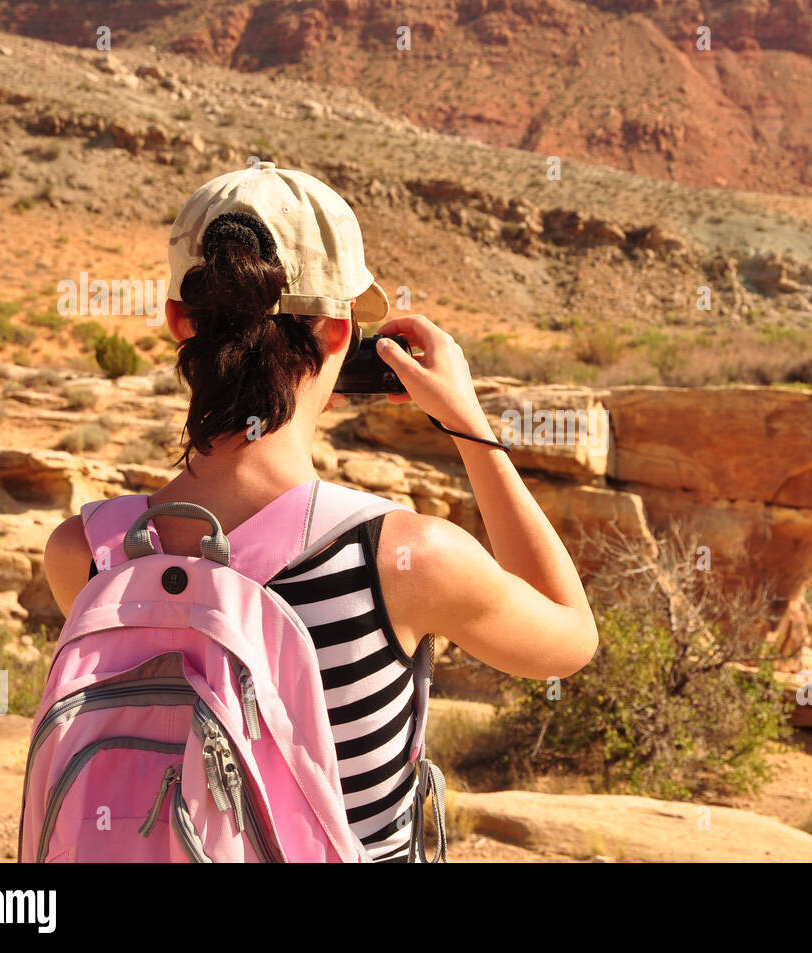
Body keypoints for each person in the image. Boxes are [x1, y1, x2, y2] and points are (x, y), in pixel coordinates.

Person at [42, 160, 598, 861]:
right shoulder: (403, 559)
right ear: (340, 333)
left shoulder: (87, 556)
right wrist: (467, 420)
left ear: (178, 322)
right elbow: (572, 635)